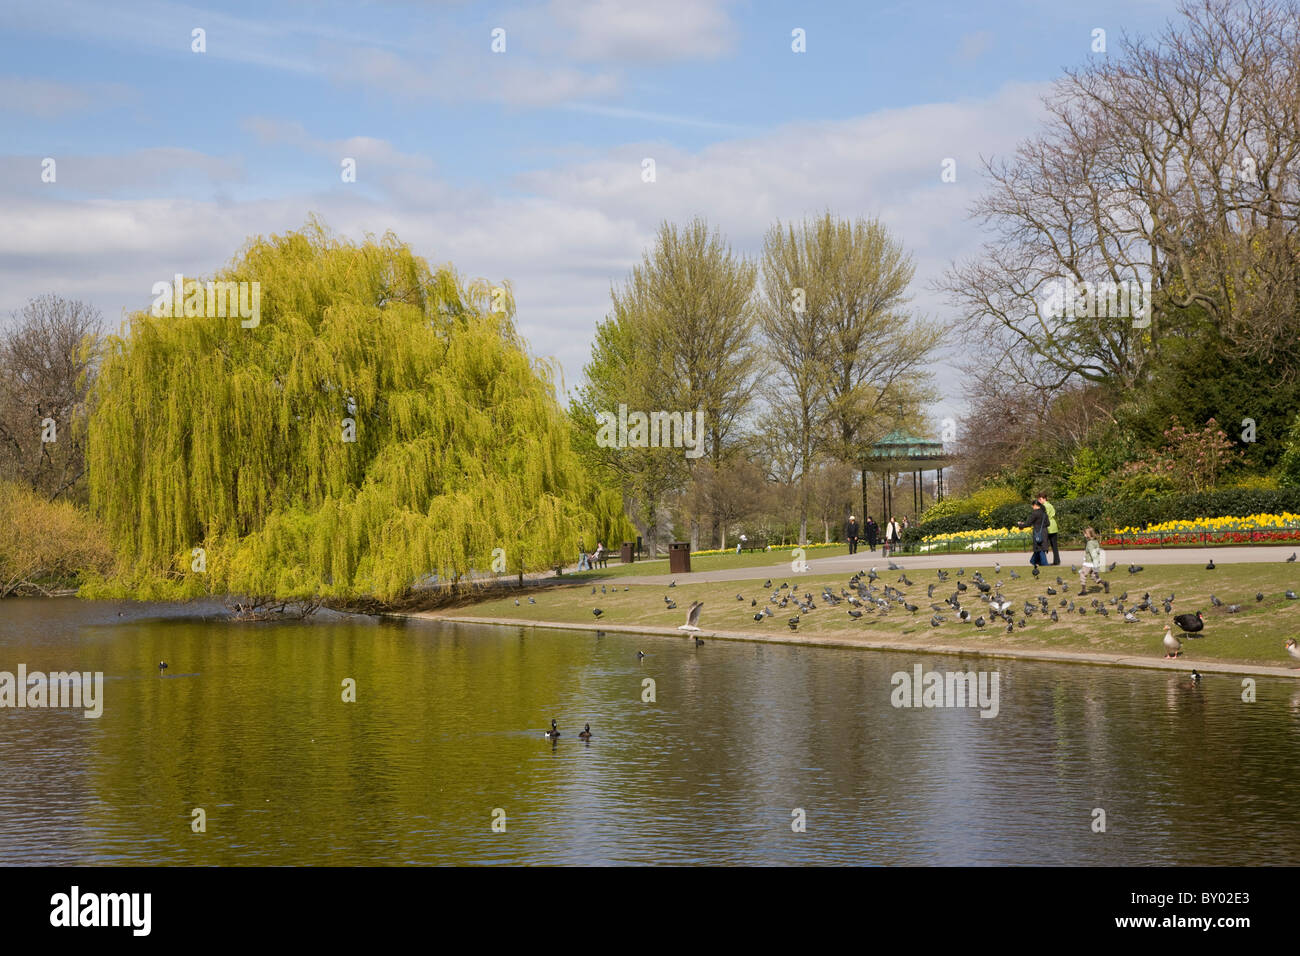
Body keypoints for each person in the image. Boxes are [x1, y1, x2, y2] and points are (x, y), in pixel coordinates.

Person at [1016, 501, 1049, 567]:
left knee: (1040, 548)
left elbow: (1028, 523)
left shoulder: (1035, 513)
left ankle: (1044, 564)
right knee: (1040, 547)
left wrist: (1020, 525)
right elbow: (1048, 523)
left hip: (1037, 533)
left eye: (1032, 505)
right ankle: (1034, 561)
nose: (1032, 507)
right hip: (1044, 532)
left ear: (1035, 505)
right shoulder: (1044, 513)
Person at [1038, 493, 1060, 565]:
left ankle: (1042, 561)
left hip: (1048, 527)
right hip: (1053, 526)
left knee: (1043, 545)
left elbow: (1044, 516)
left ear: (1044, 499)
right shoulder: (1050, 505)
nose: (1039, 500)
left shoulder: (1044, 506)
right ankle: (1057, 561)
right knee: (1054, 546)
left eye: (1040, 499)